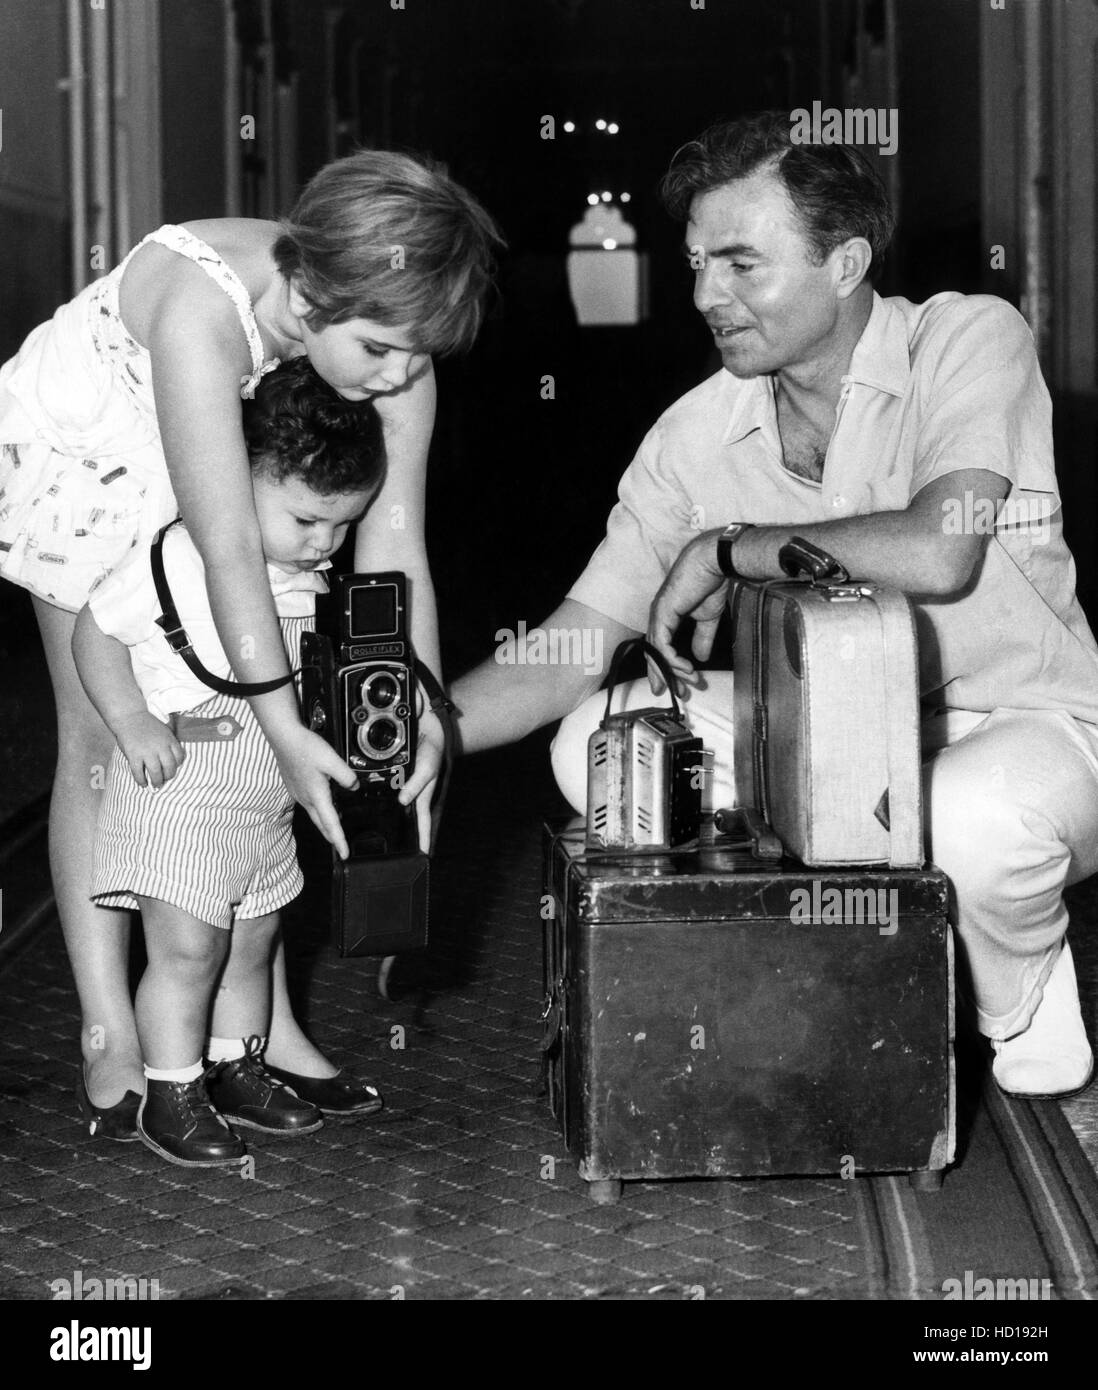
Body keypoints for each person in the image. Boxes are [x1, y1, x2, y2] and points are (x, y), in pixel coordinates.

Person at [452, 111, 1098, 1102]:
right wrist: (424, 735)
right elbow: (578, 641)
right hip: (820, 739)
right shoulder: (697, 433)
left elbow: (939, 545)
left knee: (973, 812)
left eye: (742, 264)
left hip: (1030, 727)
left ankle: (1017, 987)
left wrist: (732, 550)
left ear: (845, 262)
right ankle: (816, 954)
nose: (707, 293)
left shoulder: (969, 337)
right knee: (598, 740)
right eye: (700, 261)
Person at [0, 149, 501, 1137]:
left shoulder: (389, 329)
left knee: (254, 765)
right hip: (89, 452)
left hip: (235, 455)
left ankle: (259, 1031)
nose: (399, 378)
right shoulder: (202, 308)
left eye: (418, 354)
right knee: (105, 737)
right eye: (380, 351)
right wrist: (284, 729)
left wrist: (424, 716)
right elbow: (226, 547)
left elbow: (394, 546)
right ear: (309, 291)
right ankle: (112, 1037)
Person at [72, 358, 387, 1165]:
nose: (325, 544)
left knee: (253, 944)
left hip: (259, 801)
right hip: (182, 789)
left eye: (343, 526)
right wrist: (131, 719)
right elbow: (95, 631)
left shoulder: (306, 573)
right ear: (238, 478)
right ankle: (169, 1091)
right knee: (188, 951)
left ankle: (235, 1068)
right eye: (307, 520)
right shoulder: (179, 557)